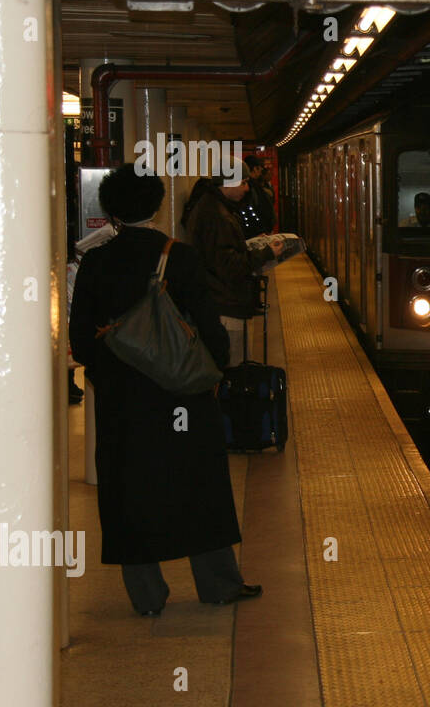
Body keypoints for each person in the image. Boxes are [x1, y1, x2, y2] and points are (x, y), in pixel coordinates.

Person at [69, 163, 262, 616]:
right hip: (183, 396)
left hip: (123, 402)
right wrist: (213, 373)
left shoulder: (96, 262)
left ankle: (148, 597)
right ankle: (218, 585)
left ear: (113, 211)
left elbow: (81, 339)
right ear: (157, 206)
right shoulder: (180, 257)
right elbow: (210, 329)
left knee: (127, 490)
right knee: (200, 485)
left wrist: (107, 376)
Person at [181, 162, 284, 363]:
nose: (247, 188)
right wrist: (266, 253)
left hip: (222, 301)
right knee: (235, 368)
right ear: (228, 183)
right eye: (244, 182)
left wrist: (251, 244)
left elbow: (222, 252)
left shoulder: (214, 207)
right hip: (225, 306)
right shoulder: (216, 215)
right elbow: (229, 265)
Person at [236, 155, 276, 238]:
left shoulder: (255, 186)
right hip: (257, 232)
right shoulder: (253, 187)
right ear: (255, 168)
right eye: (259, 168)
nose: (261, 170)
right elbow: (254, 209)